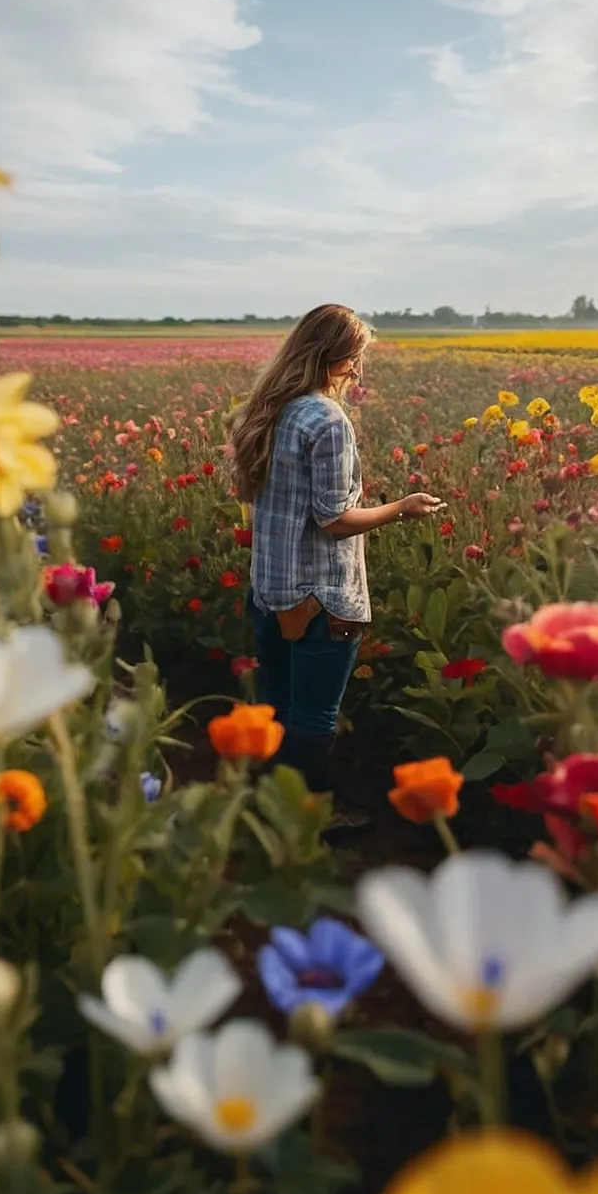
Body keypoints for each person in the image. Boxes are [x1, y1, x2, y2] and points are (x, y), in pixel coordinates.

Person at [229, 303, 444, 830]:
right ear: (331, 355)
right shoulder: (327, 419)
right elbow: (334, 519)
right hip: (321, 596)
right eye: (355, 358)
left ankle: (270, 806)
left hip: (270, 589)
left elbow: (248, 494)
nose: (358, 370)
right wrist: (403, 507)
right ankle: (307, 820)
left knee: (278, 706)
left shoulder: (267, 409)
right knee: (314, 717)